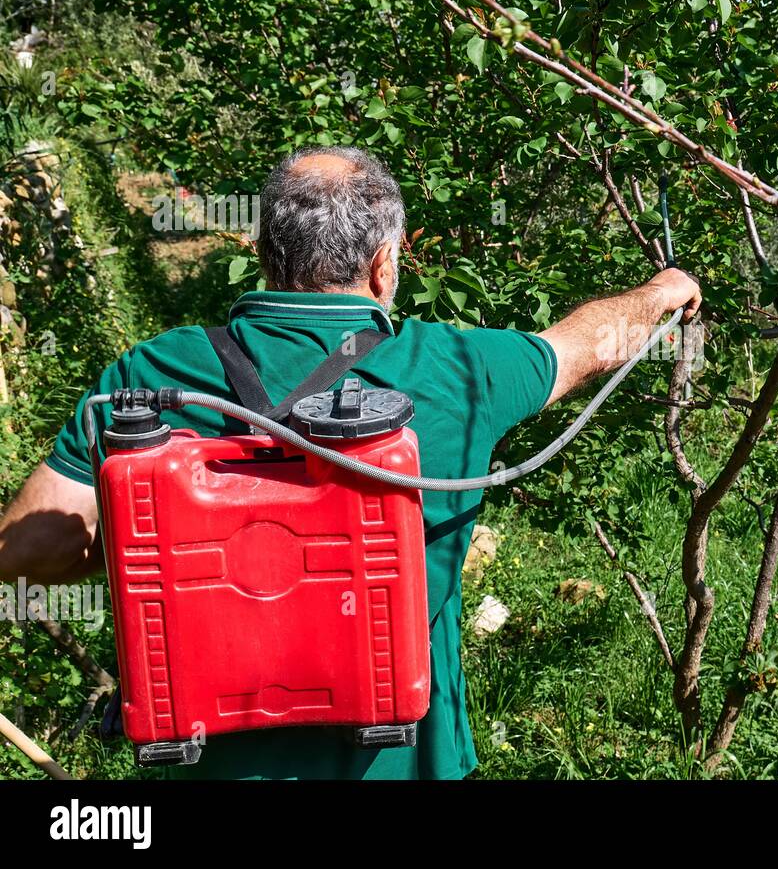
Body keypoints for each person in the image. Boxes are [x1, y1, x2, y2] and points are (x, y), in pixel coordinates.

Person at [0, 145, 701, 778]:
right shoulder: (461, 366)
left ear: (262, 249)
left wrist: (152, 542)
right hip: (401, 762)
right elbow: (586, 346)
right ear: (384, 263)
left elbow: (33, 542)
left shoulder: (155, 369)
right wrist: (663, 293)